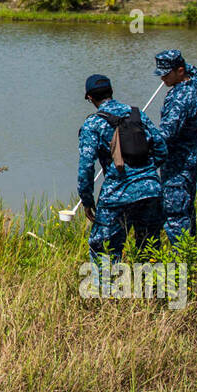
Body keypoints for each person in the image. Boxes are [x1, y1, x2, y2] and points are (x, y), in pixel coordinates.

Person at [77, 74, 168, 265]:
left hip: (118, 194)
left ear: (90, 98)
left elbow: (86, 167)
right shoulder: (137, 114)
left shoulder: (92, 124)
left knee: (104, 250)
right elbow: (161, 148)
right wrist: (146, 173)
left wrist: (87, 200)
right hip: (151, 190)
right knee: (149, 247)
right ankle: (152, 292)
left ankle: (107, 293)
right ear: (111, 92)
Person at [152, 49, 197, 242]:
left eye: (166, 73)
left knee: (175, 215)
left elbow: (166, 135)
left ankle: (181, 264)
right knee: (187, 207)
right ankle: (192, 253)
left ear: (179, 71)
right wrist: (184, 67)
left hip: (177, 165)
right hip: (191, 158)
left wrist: (140, 136)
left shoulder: (179, 98)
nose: (162, 78)